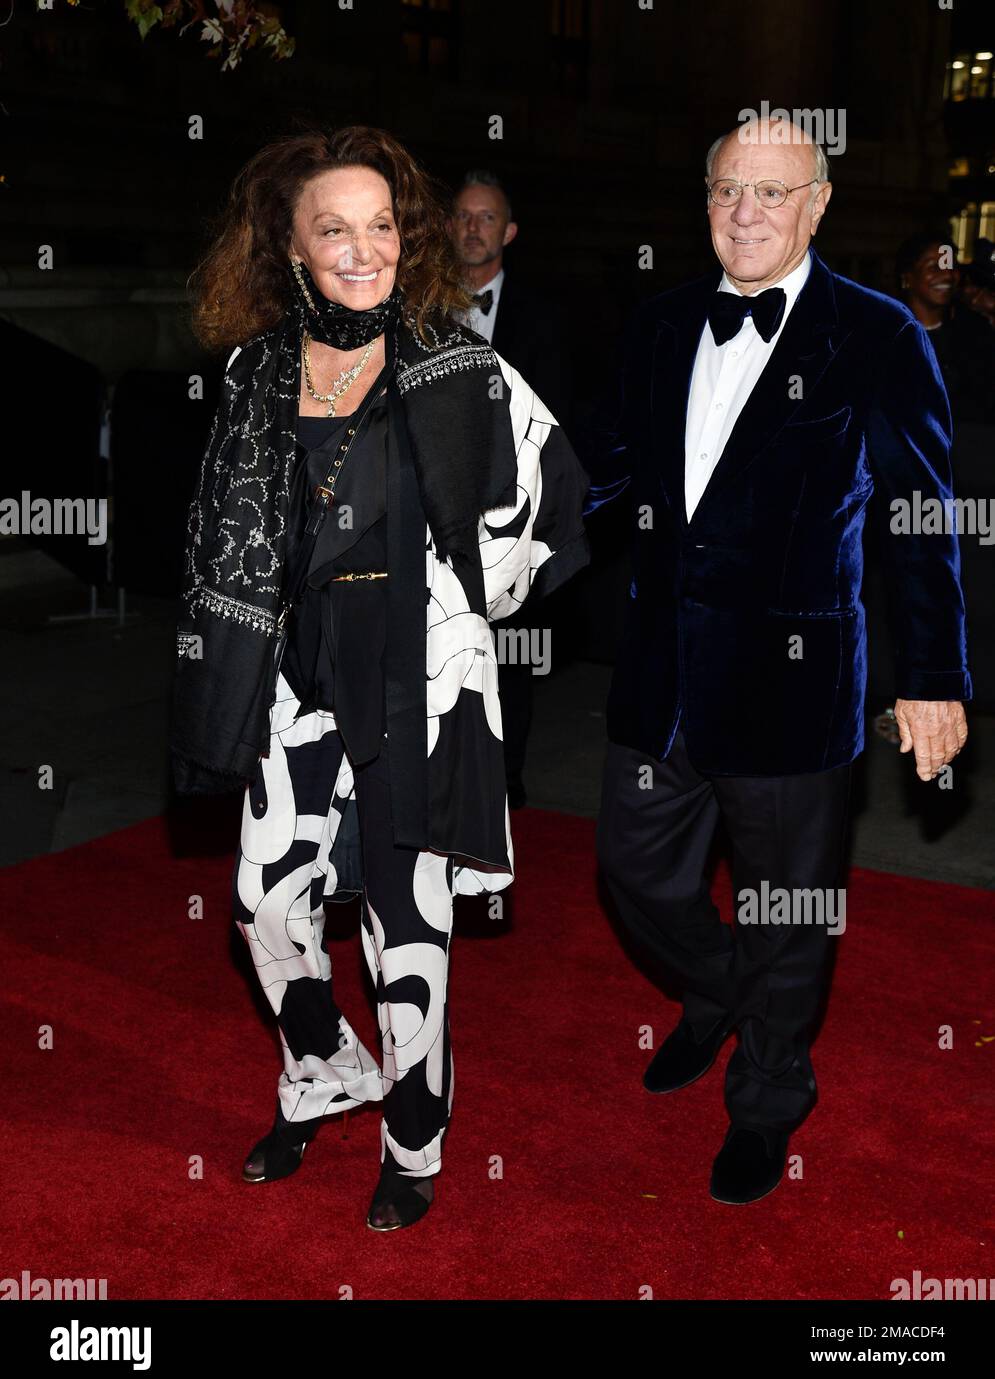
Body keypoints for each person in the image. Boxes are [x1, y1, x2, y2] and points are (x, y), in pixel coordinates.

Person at [170, 125, 590, 1231]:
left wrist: (474, 594)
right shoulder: (257, 368)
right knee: (265, 903)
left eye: (381, 226)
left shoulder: (457, 364)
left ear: (407, 239)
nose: (362, 248)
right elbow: (221, 525)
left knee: (406, 931)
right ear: (292, 248)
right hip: (291, 670)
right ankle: (325, 1067)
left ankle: (415, 1136)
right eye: (333, 230)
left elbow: (557, 495)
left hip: (415, 678)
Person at [581, 117, 970, 1205]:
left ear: (817, 204)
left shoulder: (879, 334)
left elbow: (917, 517)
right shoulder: (659, 325)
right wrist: (479, 540)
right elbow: (594, 473)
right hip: (660, 676)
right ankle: (720, 994)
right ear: (702, 200)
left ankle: (766, 1096)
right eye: (723, 191)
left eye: (769, 192)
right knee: (633, 874)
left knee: (788, 909)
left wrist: (929, 675)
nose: (743, 214)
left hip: (795, 688)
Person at [451, 170, 574, 808]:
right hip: (432, 512)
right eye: (464, 216)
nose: (474, 228)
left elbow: (558, 418)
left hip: (510, 511)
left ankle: (503, 784)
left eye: (488, 218)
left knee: (511, 650)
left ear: (510, 231)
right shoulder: (410, 307)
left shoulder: (546, 317)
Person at [896, 233, 995, 424]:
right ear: (908, 277)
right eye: (933, 266)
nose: (947, 274)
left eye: (951, 266)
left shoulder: (975, 333)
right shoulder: (887, 336)